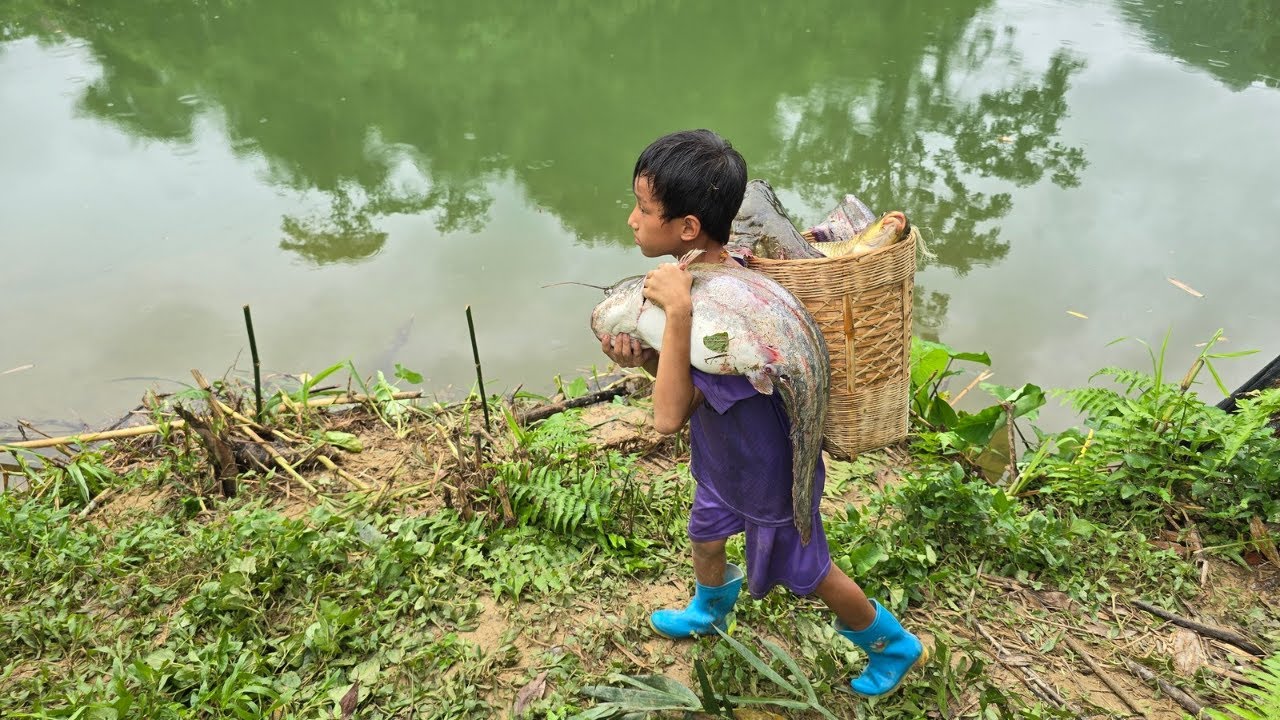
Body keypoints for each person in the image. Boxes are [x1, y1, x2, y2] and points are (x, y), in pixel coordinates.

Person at [598, 129, 928, 697]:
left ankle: (892, 643)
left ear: (688, 228)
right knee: (706, 534)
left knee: (809, 572)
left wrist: (676, 316)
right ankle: (710, 610)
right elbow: (690, 387)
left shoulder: (725, 316)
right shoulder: (706, 278)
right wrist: (647, 356)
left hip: (770, 478)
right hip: (722, 462)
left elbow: (669, 416)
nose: (632, 218)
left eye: (643, 208)